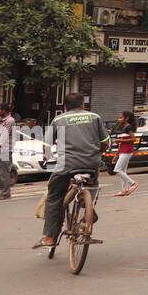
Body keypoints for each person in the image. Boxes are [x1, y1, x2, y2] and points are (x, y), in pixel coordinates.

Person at [34, 92, 109, 250]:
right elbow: (104, 141)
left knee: (54, 196)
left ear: (66, 107)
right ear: (83, 105)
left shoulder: (58, 120)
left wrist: (47, 158)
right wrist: (97, 155)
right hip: (91, 163)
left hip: (67, 164)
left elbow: (46, 145)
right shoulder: (95, 117)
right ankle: (88, 206)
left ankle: (50, 237)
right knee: (92, 184)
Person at [0, 103, 15, 200]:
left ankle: (5, 193)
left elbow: (5, 136)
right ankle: (5, 190)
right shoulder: (2, 120)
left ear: (4, 111)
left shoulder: (10, 121)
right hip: (1, 149)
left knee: (4, 172)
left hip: (6, 150)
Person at [112, 111, 139, 197]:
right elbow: (122, 144)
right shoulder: (124, 127)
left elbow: (133, 139)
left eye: (121, 117)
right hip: (123, 151)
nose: (119, 119)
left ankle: (133, 183)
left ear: (126, 118)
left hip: (127, 151)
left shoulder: (128, 127)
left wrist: (119, 140)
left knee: (117, 170)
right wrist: (116, 154)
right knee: (123, 171)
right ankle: (124, 190)